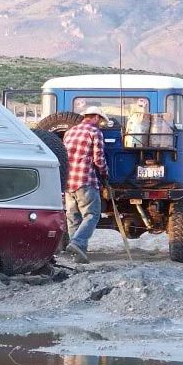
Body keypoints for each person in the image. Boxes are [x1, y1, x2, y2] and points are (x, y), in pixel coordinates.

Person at [62, 105, 109, 264]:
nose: (100, 123)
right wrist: (105, 174)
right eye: (101, 120)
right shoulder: (95, 132)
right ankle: (77, 243)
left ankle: (79, 256)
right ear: (96, 117)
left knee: (73, 218)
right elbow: (99, 160)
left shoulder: (69, 132)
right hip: (85, 180)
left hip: (68, 182)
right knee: (92, 215)